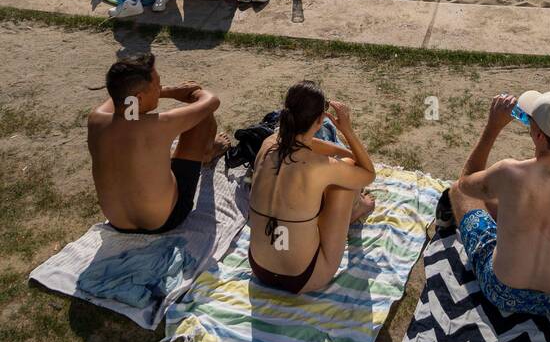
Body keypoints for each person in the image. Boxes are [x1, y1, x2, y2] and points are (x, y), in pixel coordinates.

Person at [444, 92, 550, 316]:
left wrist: (493, 127)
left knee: (459, 192)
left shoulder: (508, 172)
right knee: (503, 200)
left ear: (538, 135)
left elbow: (466, 183)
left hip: (502, 292)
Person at [247, 83, 375, 294]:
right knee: (346, 175)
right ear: (320, 120)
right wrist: (347, 130)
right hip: (303, 278)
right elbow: (368, 173)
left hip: (260, 267)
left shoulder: (268, 144)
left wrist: (337, 152)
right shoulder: (320, 167)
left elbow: (304, 145)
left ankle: (350, 210)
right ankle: (356, 209)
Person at [87, 54, 226, 232]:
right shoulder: (160, 125)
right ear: (138, 98)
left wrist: (168, 91)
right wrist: (193, 92)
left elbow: (122, 97)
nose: (160, 88)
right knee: (200, 115)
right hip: (165, 221)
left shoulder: (95, 120)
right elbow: (211, 101)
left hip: (118, 222)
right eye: (157, 85)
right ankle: (206, 153)